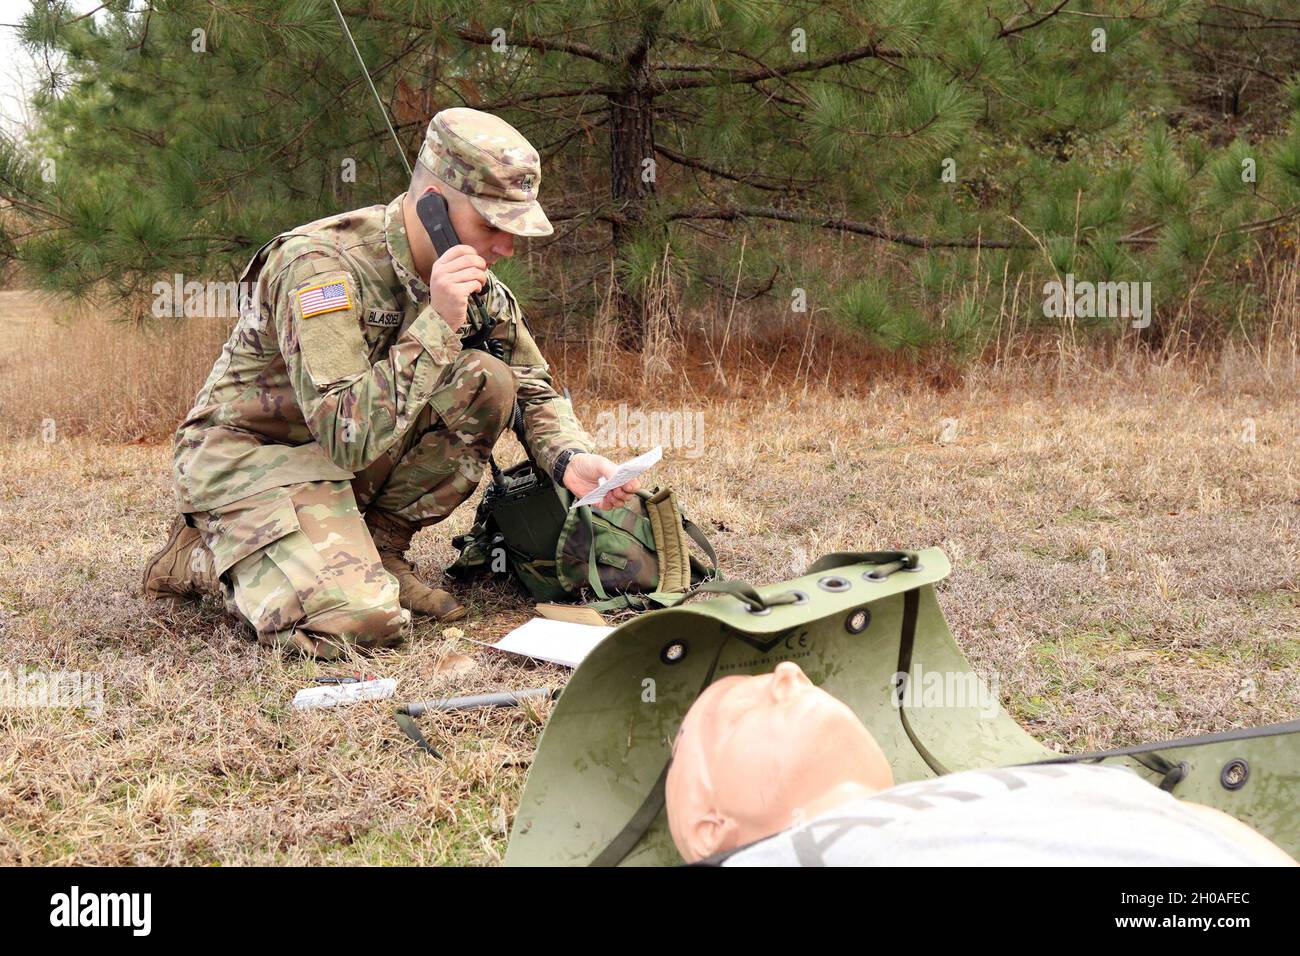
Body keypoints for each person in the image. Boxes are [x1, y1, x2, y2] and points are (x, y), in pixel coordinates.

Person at [142, 108, 638, 658]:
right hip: (257, 455)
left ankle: (378, 548)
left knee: (485, 380)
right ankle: (207, 549)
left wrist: (570, 458)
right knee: (358, 623)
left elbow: (530, 387)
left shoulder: (478, 287)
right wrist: (438, 322)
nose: (506, 247)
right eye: (491, 225)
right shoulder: (321, 267)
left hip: (339, 462)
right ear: (431, 203)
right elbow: (342, 433)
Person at [665, 661, 1297, 866]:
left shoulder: (1004, 783)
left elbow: (1204, 829)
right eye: (740, 710)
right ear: (708, 828)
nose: (787, 671)